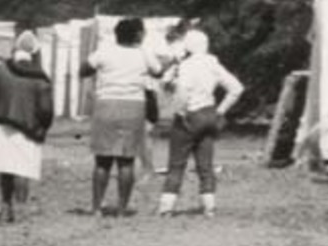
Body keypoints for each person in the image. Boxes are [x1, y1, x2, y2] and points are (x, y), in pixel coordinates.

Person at [157, 24, 245, 218]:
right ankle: (209, 206)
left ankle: (166, 207)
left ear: (188, 46)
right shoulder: (213, 63)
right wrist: (220, 111)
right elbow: (236, 88)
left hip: (190, 114)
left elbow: (180, 91)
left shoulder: (185, 66)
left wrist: (179, 111)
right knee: (205, 164)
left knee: (177, 163)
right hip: (209, 114)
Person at [82, 15, 166, 217]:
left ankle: (96, 207)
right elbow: (158, 72)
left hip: (106, 105)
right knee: (126, 161)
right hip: (133, 106)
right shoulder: (143, 54)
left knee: (102, 160)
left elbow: (84, 69)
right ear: (137, 35)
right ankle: (121, 209)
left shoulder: (104, 51)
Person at [0, 37, 56, 222]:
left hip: (3, 125)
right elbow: (46, 109)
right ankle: (21, 209)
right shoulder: (40, 78)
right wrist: (44, 126)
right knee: (22, 170)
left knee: (5, 169)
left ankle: (6, 206)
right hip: (29, 129)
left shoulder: (0, 70)